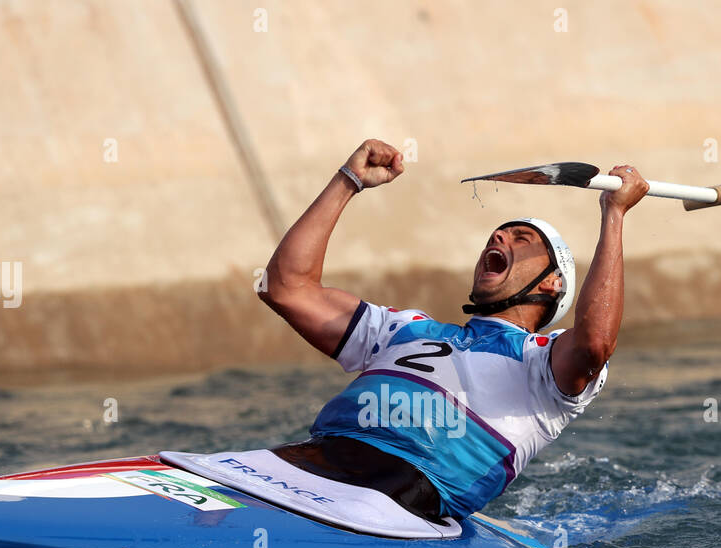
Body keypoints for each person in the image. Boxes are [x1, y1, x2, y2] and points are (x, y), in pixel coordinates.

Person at [257, 139, 649, 521]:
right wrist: (348, 181)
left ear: (552, 283)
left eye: (521, 238)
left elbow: (596, 342)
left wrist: (613, 214)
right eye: (499, 233)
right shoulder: (403, 328)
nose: (497, 237)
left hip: (396, 492)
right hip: (311, 455)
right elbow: (285, 288)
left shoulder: (542, 360)